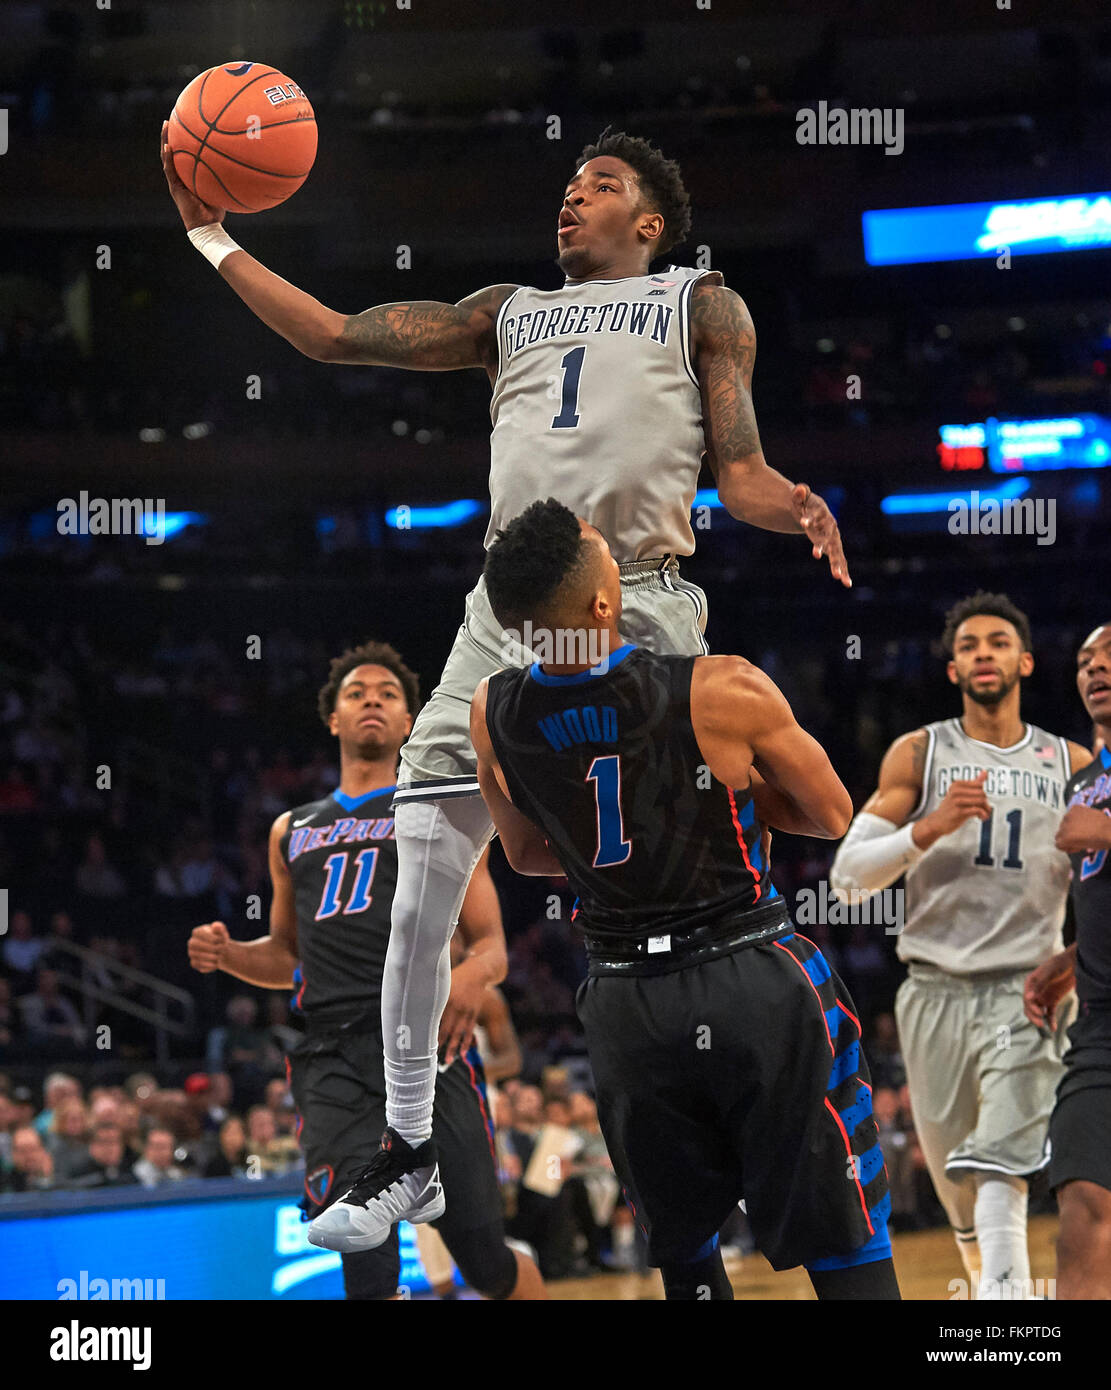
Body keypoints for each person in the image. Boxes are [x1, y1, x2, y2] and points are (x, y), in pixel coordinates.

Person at [162, 122, 851, 1234]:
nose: (572, 200)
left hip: (636, 594)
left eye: (602, 185)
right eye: (568, 187)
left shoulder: (701, 304)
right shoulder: (504, 310)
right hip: (502, 608)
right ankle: (409, 1147)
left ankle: (744, 1079)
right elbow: (338, 337)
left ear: (652, 221)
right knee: (419, 870)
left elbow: (741, 469)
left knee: (683, 864)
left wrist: (797, 506)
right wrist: (207, 236)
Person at [469, 500, 896, 1300]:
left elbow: (526, 854)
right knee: (840, 1229)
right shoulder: (720, 686)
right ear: (604, 602)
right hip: (749, 973)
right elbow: (831, 813)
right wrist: (725, 797)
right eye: (602, 547)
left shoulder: (489, 713)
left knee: (687, 1251)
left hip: (625, 1001)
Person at [188, 641, 544, 1300]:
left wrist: (470, 976)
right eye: (356, 692)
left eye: (386, 692)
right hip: (333, 1058)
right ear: (333, 720)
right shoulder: (290, 828)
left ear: (409, 721)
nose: (371, 699)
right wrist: (231, 954)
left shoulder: (444, 808)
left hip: (428, 1048)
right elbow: (288, 955)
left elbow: (491, 944)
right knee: (366, 1259)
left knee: (484, 1263)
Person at [830, 591, 1091, 1299]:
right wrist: (927, 827)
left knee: (997, 1165)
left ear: (1025, 662)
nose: (983, 653)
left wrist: (1078, 959)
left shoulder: (1070, 762)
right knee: (959, 1193)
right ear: (951, 668)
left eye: (998, 642)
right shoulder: (919, 752)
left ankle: (1001, 1324)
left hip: (1027, 991)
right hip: (933, 992)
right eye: (969, 644)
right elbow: (847, 880)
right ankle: (988, 1287)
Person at [1024, 621, 1111, 1298]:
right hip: (1100, 1031)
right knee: (1081, 1201)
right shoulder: (1080, 780)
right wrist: (1069, 959)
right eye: (1084, 659)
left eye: (1110, 655)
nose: (1095, 668)